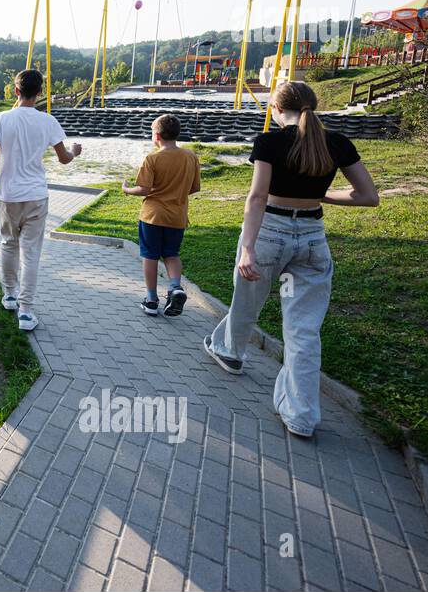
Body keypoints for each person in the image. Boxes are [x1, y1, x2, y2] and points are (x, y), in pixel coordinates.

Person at [205, 81, 379, 439]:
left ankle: (231, 352)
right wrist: (321, 196)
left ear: (275, 108)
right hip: (312, 238)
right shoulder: (338, 143)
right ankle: (301, 416)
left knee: (247, 302)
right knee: (303, 331)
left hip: (269, 231)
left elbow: (257, 198)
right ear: (313, 106)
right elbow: (368, 196)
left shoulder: (270, 142)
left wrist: (249, 249)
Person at [0, 69, 82, 331]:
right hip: (36, 195)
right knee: (31, 253)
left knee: (8, 245)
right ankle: (26, 312)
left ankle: (10, 295)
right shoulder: (48, 121)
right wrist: (74, 152)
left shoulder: (2, 118)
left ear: (16, 91)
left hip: (7, 195)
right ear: (39, 93)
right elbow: (63, 158)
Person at [121, 113, 200, 317]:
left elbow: (144, 189)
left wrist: (127, 190)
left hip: (152, 216)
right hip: (177, 216)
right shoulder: (191, 157)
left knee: (150, 256)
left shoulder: (152, 158)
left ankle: (151, 299)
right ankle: (175, 287)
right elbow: (194, 188)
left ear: (156, 136)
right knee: (172, 254)